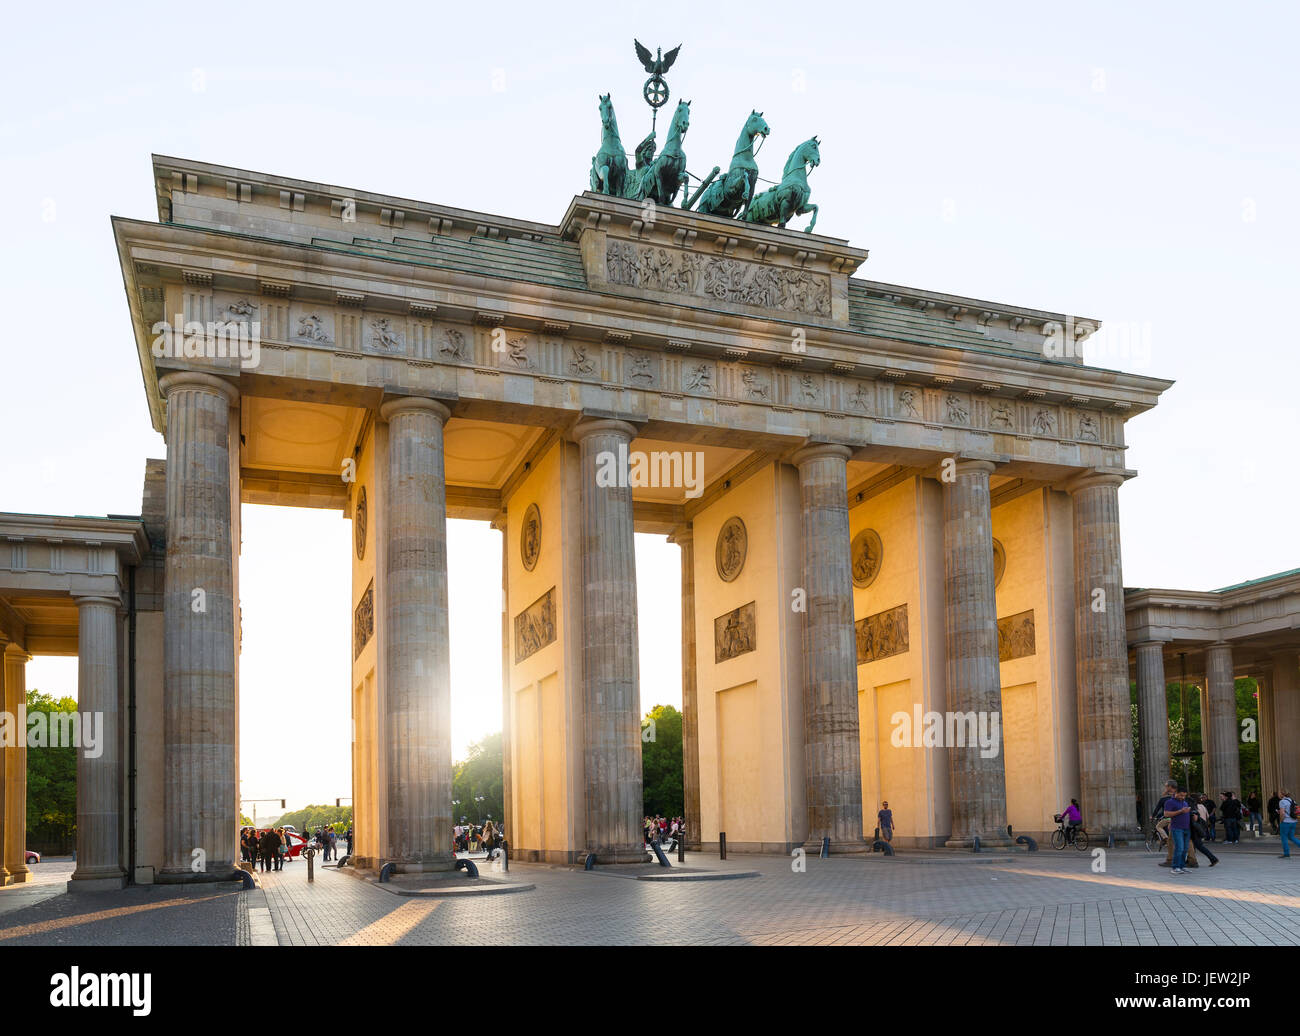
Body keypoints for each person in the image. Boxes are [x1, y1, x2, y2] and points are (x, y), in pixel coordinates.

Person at [1165, 787, 1193, 874]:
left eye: (1184, 795)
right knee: (1179, 848)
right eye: (1181, 795)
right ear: (1175, 793)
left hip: (1186, 828)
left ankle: (1182, 866)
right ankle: (1175, 867)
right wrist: (1181, 811)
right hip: (1177, 828)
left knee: (1185, 849)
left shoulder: (1184, 802)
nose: (1183, 797)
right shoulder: (1169, 802)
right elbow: (1166, 814)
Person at [1278, 790, 1300, 858]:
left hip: (1286, 822)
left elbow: (1282, 813)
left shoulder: (1282, 801)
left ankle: (1286, 853)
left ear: (1282, 794)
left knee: (1284, 838)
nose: (1278, 794)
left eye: (1279, 793)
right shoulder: (1293, 801)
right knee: (1291, 837)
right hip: (1294, 821)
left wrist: (1281, 821)